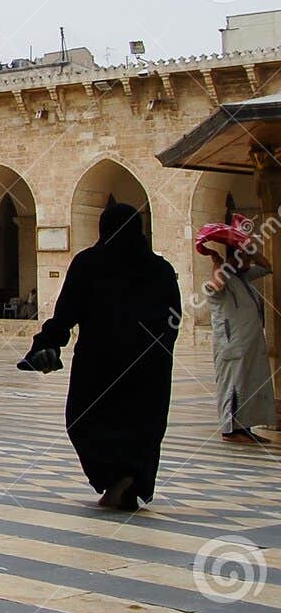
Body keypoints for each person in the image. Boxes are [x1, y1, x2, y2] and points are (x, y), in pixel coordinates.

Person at [18, 202, 181, 511]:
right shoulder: (160, 268)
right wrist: (160, 351)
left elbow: (67, 310)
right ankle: (130, 479)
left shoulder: (90, 263)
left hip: (100, 361)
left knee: (84, 419)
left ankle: (115, 478)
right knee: (141, 423)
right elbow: (174, 316)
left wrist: (47, 342)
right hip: (150, 365)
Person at [202, 222, 276, 444]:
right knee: (233, 386)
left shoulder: (243, 278)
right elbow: (215, 285)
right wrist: (219, 263)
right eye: (243, 257)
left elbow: (267, 266)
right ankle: (230, 430)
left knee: (248, 385)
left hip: (249, 344)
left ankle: (245, 427)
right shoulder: (221, 282)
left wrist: (249, 249)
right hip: (232, 346)